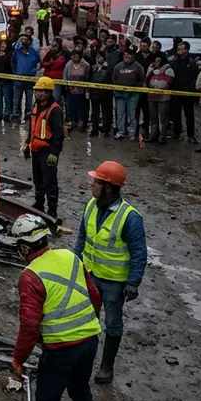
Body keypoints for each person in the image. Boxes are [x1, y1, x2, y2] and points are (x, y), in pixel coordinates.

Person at [9, 214, 101, 401]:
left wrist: (18, 358)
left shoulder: (30, 276)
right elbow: (94, 295)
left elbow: (30, 326)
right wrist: (89, 323)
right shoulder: (70, 256)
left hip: (61, 350)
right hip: (90, 341)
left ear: (24, 247)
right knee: (80, 390)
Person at [74, 161, 145, 385]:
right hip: (90, 276)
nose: (91, 186)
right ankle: (85, 360)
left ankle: (107, 367)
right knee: (88, 320)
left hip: (114, 282)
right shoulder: (90, 206)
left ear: (107, 187)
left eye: (95, 182)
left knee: (113, 324)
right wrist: (75, 264)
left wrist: (133, 282)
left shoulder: (130, 217)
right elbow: (81, 240)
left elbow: (139, 252)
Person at [27, 77, 64, 218]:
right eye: (38, 91)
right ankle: (39, 204)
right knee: (38, 179)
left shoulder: (55, 110)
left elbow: (58, 134)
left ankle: (52, 210)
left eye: (44, 91)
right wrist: (27, 143)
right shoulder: (36, 106)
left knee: (50, 181)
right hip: (36, 149)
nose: (41, 93)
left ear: (49, 93)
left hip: (47, 151)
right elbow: (32, 127)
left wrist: (55, 153)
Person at [169, 42, 200, 142]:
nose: (180, 51)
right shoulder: (174, 60)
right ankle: (176, 132)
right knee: (175, 113)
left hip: (188, 91)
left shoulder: (192, 61)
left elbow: (195, 76)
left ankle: (191, 135)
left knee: (189, 114)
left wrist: (193, 89)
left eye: (182, 49)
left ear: (187, 50)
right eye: (178, 49)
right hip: (176, 90)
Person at [111, 50, 145, 140]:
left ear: (133, 56)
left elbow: (142, 80)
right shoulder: (118, 67)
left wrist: (133, 86)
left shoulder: (138, 67)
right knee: (120, 114)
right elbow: (114, 78)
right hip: (120, 94)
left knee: (132, 115)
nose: (126, 56)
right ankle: (121, 132)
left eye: (128, 55)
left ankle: (132, 133)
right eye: (125, 55)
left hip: (133, 95)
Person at [11, 35, 42, 123]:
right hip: (18, 80)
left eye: (26, 39)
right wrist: (15, 73)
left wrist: (35, 71)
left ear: (30, 42)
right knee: (16, 99)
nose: (23, 41)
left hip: (30, 80)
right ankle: (16, 116)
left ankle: (28, 115)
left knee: (29, 100)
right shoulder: (16, 52)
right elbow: (12, 63)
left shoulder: (34, 52)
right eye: (22, 39)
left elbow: (39, 63)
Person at [145, 55, 174, 144]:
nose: (156, 63)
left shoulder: (168, 70)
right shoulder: (151, 69)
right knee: (153, 117)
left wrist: (154, 84)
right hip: (151, 97)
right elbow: (146, 81)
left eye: (158, 61)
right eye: (155, 61)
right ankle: (153, 135)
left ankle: (162, 136)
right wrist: (150, 71)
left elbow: (164, 85)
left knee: (163, 118)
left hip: (163, 98)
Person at [63, 50, 91, 132]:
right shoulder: (68, 64)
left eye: (76, 56)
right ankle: (73, 121)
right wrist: (66, 86)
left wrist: (87, 90)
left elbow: (87, 77)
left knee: (82, 107)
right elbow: (65, 75)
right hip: (71, 90)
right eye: (72, 56)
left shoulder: (85, 65)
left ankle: (82, 122)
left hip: (82, 90)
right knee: (71, 106)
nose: (74, 58)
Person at [88, 51, 113, 137]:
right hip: (94, 94)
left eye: (100, 57)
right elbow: (89, 79)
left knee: (106, 112)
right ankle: (94, 128)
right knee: (95, 112)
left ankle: (106, 129)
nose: (99, 58)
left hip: (105, 95)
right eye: (97, 57)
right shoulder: (92, 68)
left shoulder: (108, 68)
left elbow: (110, 81)